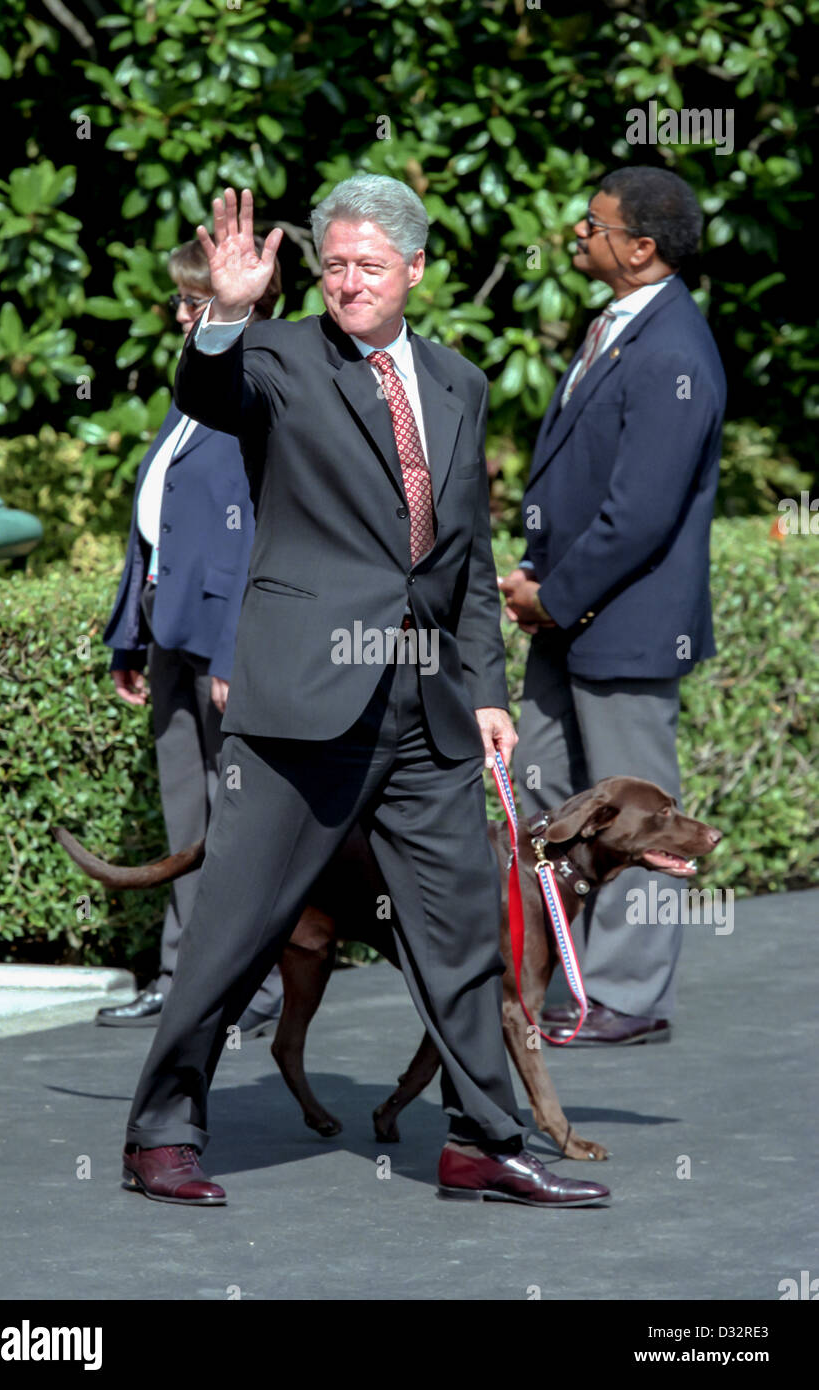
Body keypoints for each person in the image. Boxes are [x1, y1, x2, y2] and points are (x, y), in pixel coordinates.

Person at [119, 175, 609, 1209]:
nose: (346, 282)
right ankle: (162, 1132)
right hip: (301, 707)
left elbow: (464, 559)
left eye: (368, 266)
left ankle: (482, 1139)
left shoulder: (459, 382)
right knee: (234, 931)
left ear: (415, 271)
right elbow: (210, 395)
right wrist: (229, 311)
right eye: (333, 264)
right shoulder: (280, 356)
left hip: (424, 711)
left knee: (460, 931)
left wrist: (484, 686)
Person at [499, 166, 726, 1045]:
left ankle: (628, 998)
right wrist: (535, 575)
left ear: (642, 247)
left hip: (623, 628)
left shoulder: (673, 350)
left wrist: (551, 595)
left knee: (641, 822)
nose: (577, 235)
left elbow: (640, 513)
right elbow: (580, 477)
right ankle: (557, 975)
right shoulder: (620, 328)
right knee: (546, 798)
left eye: (593, 225)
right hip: (572, 620)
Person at [99, 238, 284, 1035]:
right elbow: (160, 519)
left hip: (222, 642)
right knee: (189, 818)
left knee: (239, 819)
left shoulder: (261, 389)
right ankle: (182, 979)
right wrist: (128, 636)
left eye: (193, 300)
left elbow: (261, 537)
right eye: (181, 300)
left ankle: (250, 990)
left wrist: (234, 651)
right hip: (170, 631)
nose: (179, 312)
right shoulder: (192, 388)